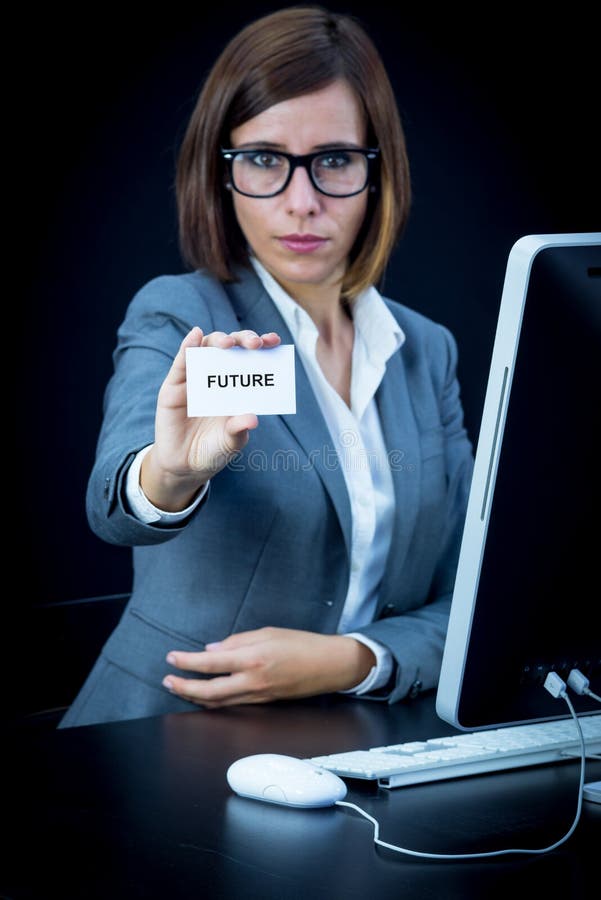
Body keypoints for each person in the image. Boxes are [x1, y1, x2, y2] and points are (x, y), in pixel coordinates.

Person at [59, 5, 474, 728]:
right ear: (221, 173)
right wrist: (171, 474)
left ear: (380, 172)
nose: (302, 202)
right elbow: (115, 502)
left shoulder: (424, 350)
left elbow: (473, 595)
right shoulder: (180, 313)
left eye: (335, 160)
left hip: (357, 744)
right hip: (160, 736)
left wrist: (354, 658)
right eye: (263, 160)